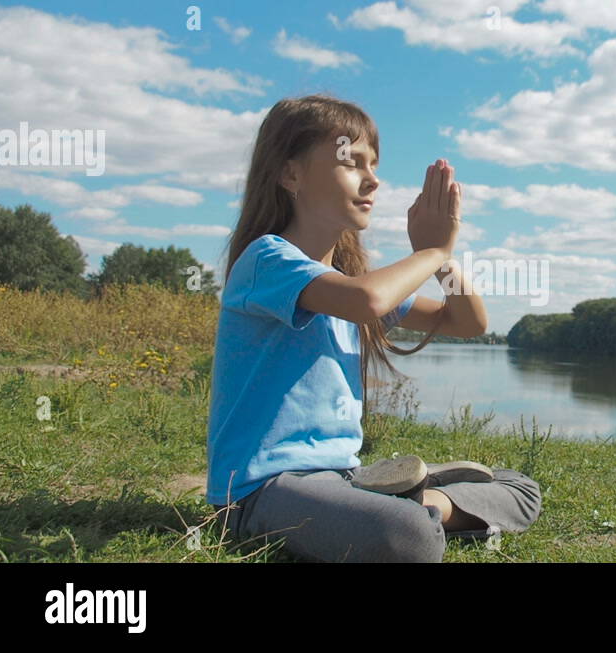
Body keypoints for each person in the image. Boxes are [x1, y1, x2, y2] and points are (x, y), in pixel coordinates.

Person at [205, 94, 542, 562]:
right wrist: (431, 252)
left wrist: (443, 261)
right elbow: (367, 302)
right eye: (351, 162)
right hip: (261, 492)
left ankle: (415, 501)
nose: (373, 179)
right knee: (409, 536)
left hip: (343, 479)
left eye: (374, 164)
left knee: (521, 489)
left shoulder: (349, 282)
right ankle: (415, 507)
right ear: (290, 174)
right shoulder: (267, 260)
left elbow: (468, 322)